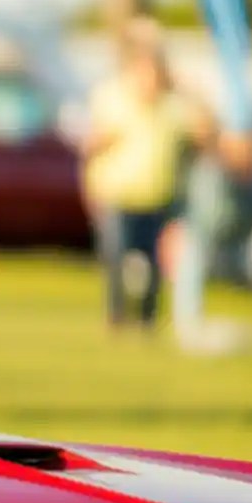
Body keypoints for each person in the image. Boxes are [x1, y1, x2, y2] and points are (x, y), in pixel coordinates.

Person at [83, 20, 196, 335]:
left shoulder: (173, 107)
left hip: (157, 197)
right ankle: (117, 318)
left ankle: (147, 321)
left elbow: (200, 135)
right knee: (117, 260)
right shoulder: (113, 97)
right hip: (118, 194)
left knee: (153, 265)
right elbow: (91, 145)